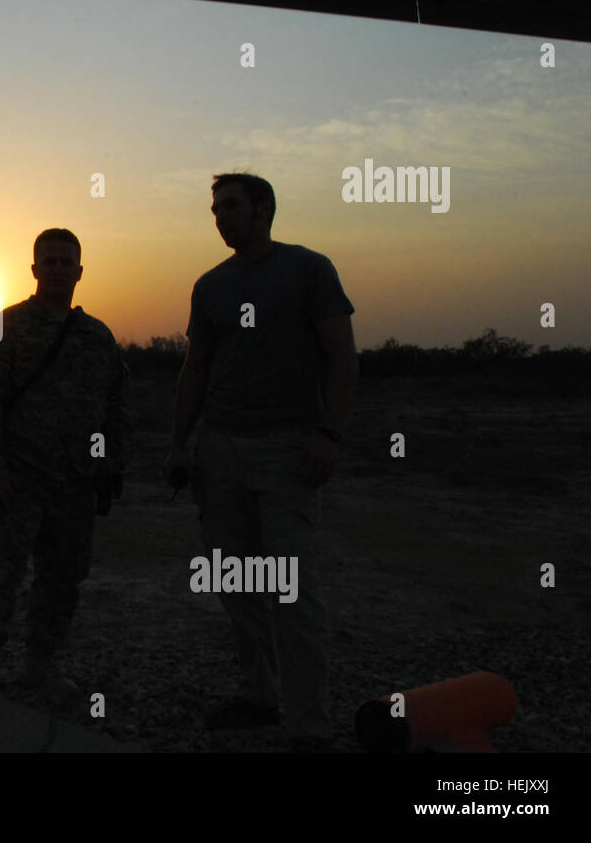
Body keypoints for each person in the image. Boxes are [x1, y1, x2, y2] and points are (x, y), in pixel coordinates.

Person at [164, 173, 358, 752]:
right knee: (237, 581)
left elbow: (342, 358)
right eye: (215, 208)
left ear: (264, 209)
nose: (219, 217)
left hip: (287, 450)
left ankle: (309, 726)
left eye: (230, 206)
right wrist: (179, 444)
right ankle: (259, 694)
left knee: (293, 590)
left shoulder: (309, 270)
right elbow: (195, 368)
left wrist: (328, 434)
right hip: (220, 452)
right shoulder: (210, 286)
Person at [0, 228, 133, 708]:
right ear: (33, 269)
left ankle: (40, 665)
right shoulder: (4, 327)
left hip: (74, 486)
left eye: (65, 261)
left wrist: (107, 466)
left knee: (62, 579)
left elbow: (118, 407)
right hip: (16, 479)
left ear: (80, 271)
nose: (56, 268)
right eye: (47, 261)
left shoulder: (98, 338)